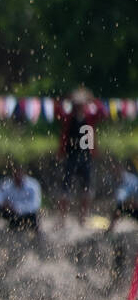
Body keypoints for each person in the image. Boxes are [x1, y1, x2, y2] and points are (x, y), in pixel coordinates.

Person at [58, 89, 101, 222]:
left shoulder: (89, 117)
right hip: (71, 155)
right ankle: (63, 217)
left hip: (86, 156)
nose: (79, 107)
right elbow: (57, 109)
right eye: (77, 104)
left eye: (81, 104)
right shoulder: (69, 117)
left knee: (86, 188)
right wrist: (69, 98)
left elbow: (102, 111)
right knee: (66, 187)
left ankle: (83, 217)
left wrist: (91, 98)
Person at [0, 160, 41, 233]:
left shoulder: (33, 185)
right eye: (16, 173)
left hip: (27, 214)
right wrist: (4, 203)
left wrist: (16, 206)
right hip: (11, 213)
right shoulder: (6, 184)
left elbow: (35, 205)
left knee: (33, 215)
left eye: (20, 173)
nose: (18, 176)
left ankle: (34, 235)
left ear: (24, 173)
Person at [109, 156, 138, 231]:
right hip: (126, 206)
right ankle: (111, 229)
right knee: (119, 207)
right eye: (113, 169)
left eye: (116, 168)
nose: (115, 171)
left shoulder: (131, 179)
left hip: (135, 206)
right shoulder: (111, 181)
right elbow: (120, 200)